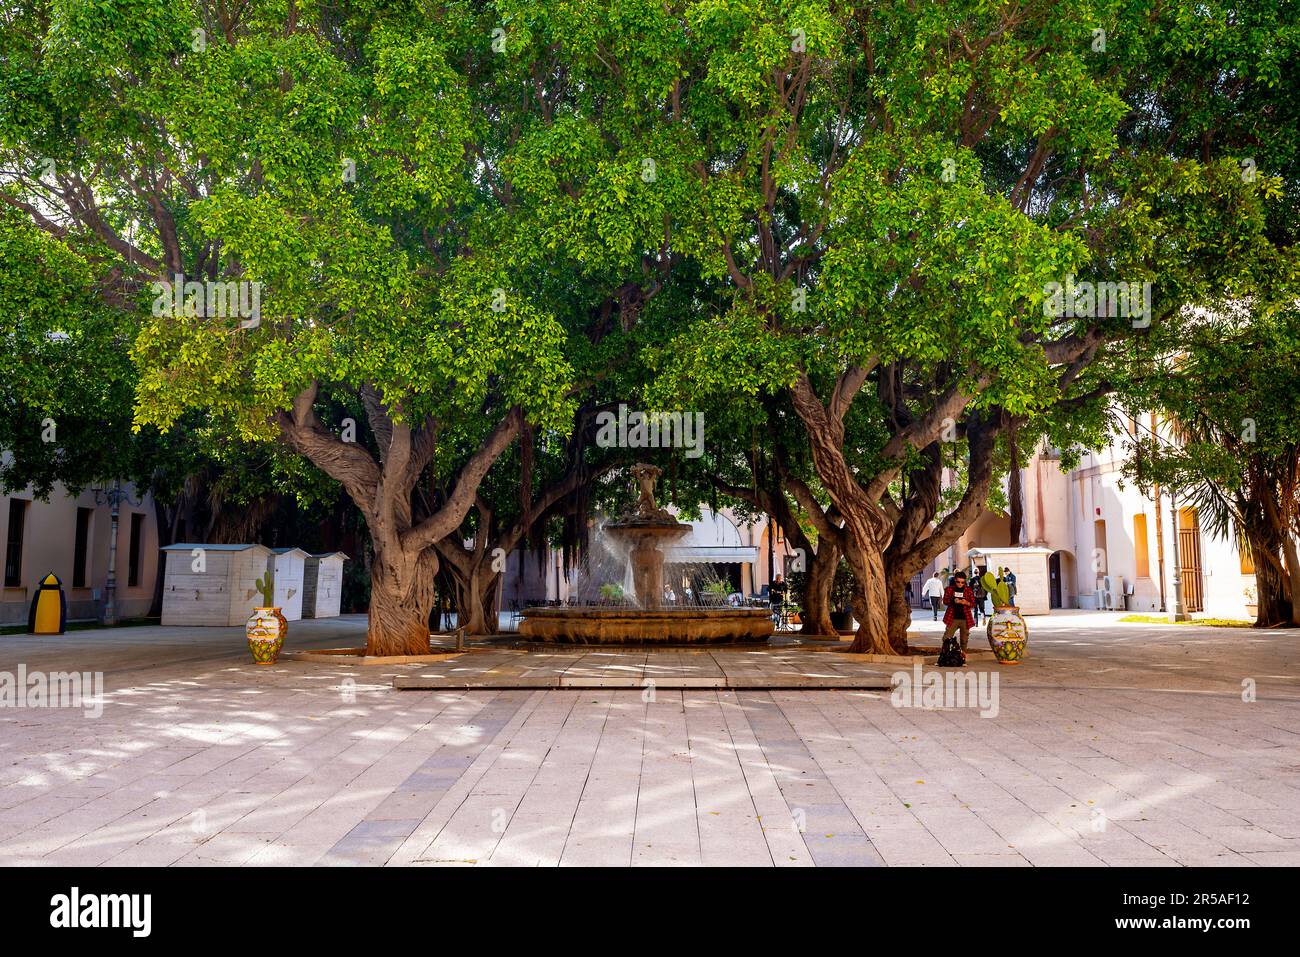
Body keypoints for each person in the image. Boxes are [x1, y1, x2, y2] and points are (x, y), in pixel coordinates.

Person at [942, 569, 976, 654]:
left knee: (964, 640)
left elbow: (973, 604)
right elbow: (945, 601)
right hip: (952, 618)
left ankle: (963, 657)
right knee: (946, 638)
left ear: (965, 582)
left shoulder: (968, 590)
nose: (960, 584)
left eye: (962, 582)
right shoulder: (949, 589)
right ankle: (945, 656)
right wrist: (953, 600)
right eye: (958, 582)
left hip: (965, 619)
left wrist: (966, 602)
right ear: (955, 580)